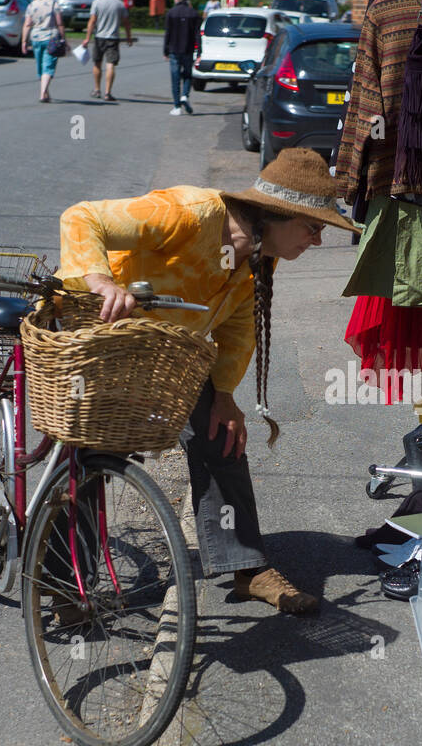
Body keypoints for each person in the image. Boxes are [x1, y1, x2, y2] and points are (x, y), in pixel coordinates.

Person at [56, 150, 360, 613]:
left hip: (168, 352)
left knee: (223, 437)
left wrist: (224, 395)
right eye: (313, 227)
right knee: (92, 456)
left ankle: (249, 569)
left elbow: (238, 325)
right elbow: (81, 218)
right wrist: (101, 282)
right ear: (277, 215)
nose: (317, 240)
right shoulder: (187, 215)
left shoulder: (260, 255)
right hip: (102, 337)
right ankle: (64, 583)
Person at [84, 0, 134, 101]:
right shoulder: (119, 3)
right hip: (113, 38)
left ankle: (97, 89)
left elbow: (92, 21)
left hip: (99, 37)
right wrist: (129, 37)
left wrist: (87, 38)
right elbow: (126, 23)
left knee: (97, 63)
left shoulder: (97, 3)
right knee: (110, 64)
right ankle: (108, 92)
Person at [21, 0, 66, 103]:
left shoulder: (31, 5)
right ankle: (42, 93)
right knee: (48, 66)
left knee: (40, 65)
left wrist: (24, 41)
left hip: (35, 37)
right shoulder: (54, 4)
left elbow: (27, 24)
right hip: (51, 37)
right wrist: (63, 38)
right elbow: (60, 23)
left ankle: (45, 93)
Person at [164, 0, 200, 116]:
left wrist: (165, 50)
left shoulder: (171, 13)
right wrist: (199, 51)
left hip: (174, 49)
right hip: (188, 49)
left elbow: (167, 33)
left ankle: (177, 106)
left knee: (175, 77)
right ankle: (185, 95)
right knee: (187, 74)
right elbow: (197, 35)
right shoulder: (194, 14)